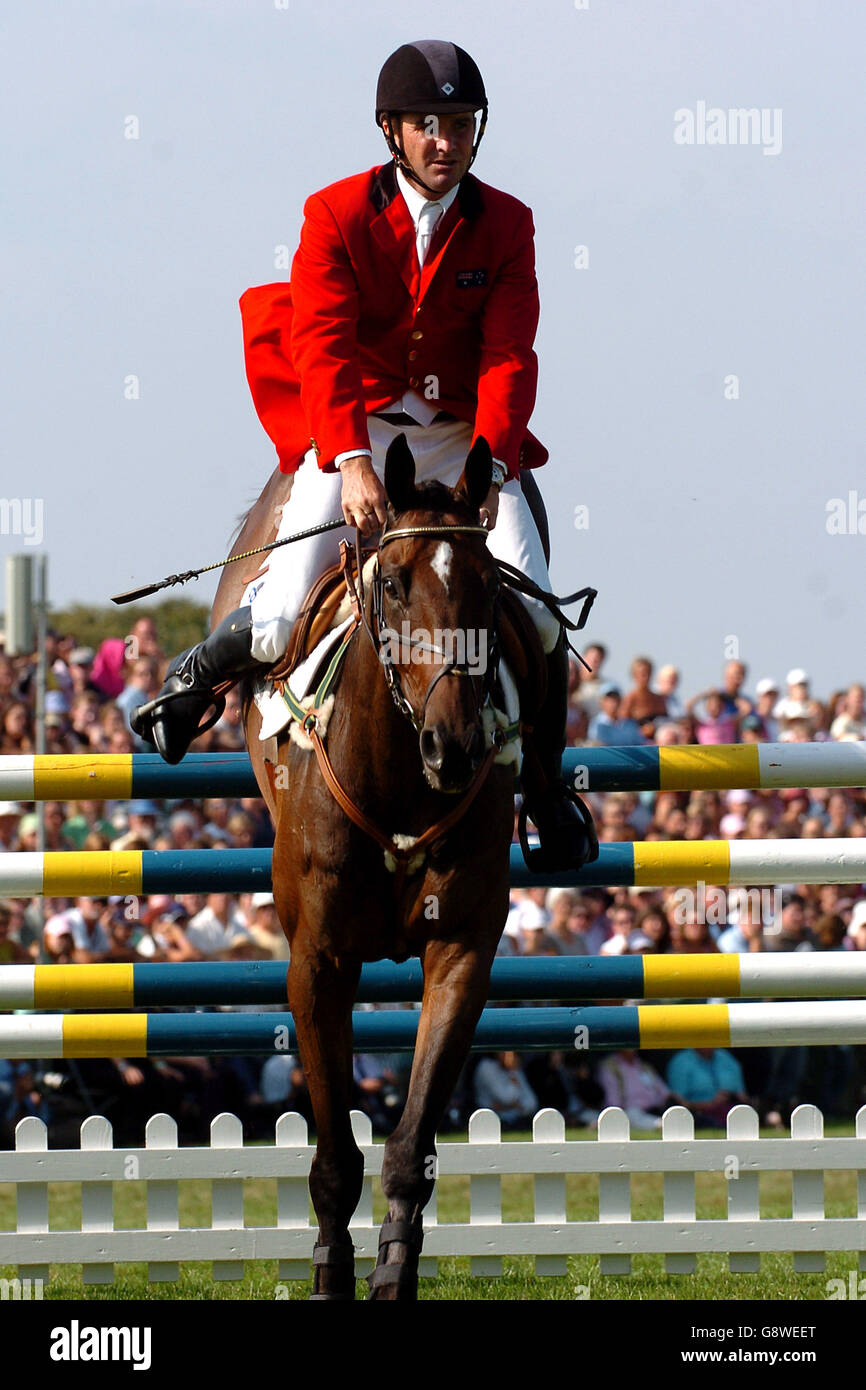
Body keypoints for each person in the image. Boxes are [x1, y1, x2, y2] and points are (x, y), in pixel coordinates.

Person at [132, 40, 595, 872]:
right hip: (357, 421)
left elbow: (508, 355)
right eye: (428, 124)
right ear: (392, 130)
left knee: (539, 613)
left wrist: (488, 466)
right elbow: (322, 346)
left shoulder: (509, 223)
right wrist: (348, 461)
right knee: (276, 620)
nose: (445, 140)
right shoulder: (336, 212)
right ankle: (199, 672)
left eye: (459, 124)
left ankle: (549, 792)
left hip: (462, 433)